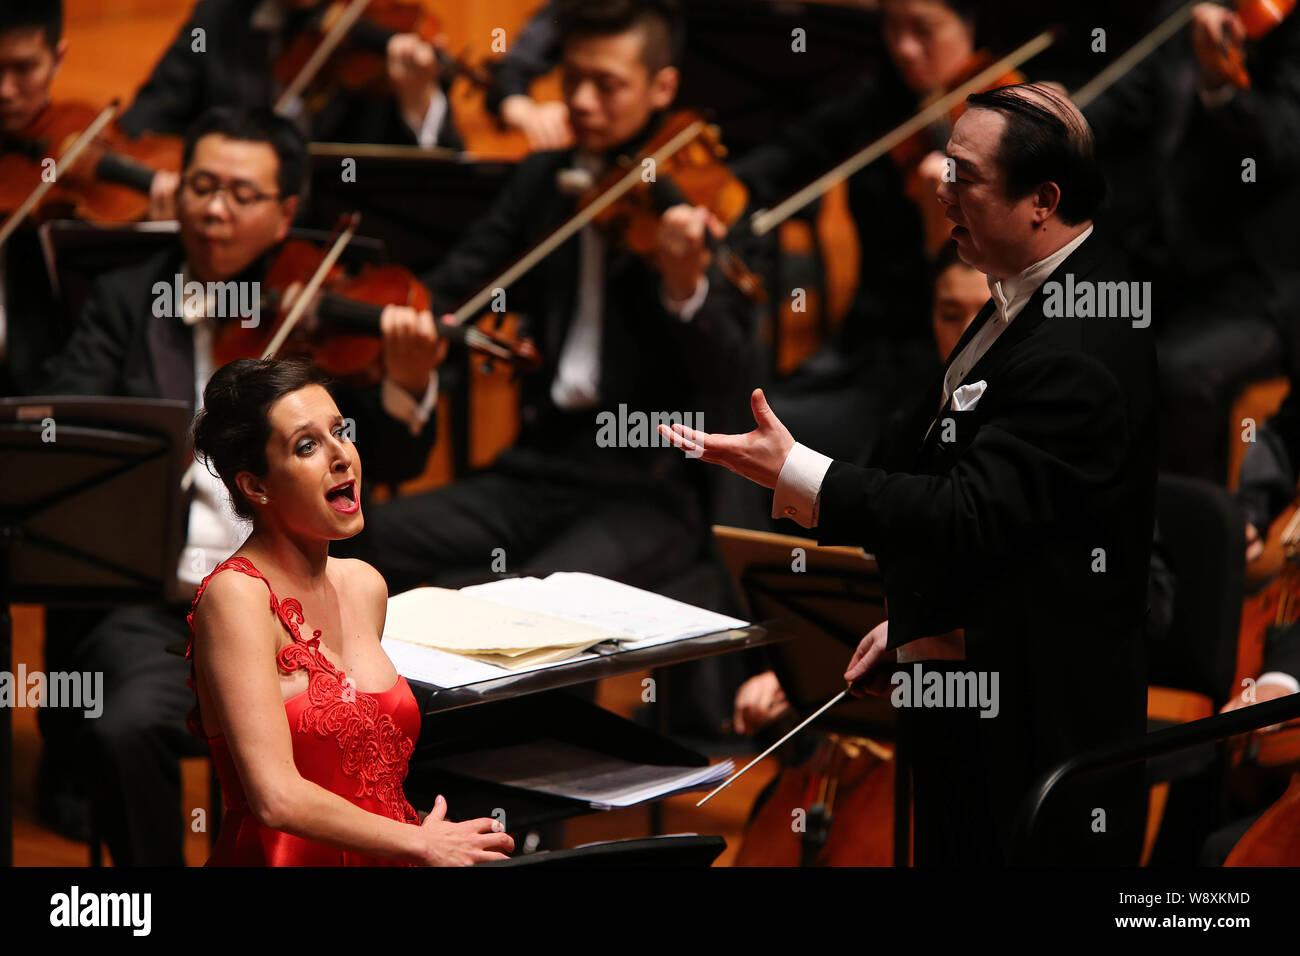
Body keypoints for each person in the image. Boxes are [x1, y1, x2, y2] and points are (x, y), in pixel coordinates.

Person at [662, 83, 1156, 864]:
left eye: (962, 174)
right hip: (972, 676)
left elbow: (970, 510)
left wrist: (798, 474)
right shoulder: (1025, 290)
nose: (939, 186)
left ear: (1042, 201)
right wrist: (922, 624)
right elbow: (1006, 514)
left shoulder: (1081, 343)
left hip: (1038, 726)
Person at [36, 106, 444, 865]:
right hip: (157, 605)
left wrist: (405, 387)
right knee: (126, 726)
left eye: (241, 194)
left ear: (288, 210)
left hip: (301, 607)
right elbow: (68, 431)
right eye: (200, 185)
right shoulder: (129, 299)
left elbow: (380, 458)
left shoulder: (314, 309)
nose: (215, 209)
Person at [338, 0, 759, 598]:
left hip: (650, 485)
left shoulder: (696, 198)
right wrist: (369, 314)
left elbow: (735, 374)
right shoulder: (542, 178)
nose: (582, 101)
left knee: (525, 601)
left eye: (608, 85)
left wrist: (686, 288)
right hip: (539, 466)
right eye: (572, 78)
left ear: (662, 87)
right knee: (355, 539)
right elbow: (459, 282)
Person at [186, 357, 512, 865]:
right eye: (307, 445)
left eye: (341, 432)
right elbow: (275, 797)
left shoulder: (366, 586)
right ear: (256, 486)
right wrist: (420, 842)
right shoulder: (236, 597)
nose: (342, 456)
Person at [0, 0, 177, 396]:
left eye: (24, 68)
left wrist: (156, 207)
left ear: (58, 57)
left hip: (56, 367)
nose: (5, 91)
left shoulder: (82, 126)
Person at [119, 0, 461, 151]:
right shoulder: (218, 19)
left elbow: (442, 184)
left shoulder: (377, 25)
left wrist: (418, 104)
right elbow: (146, 119)